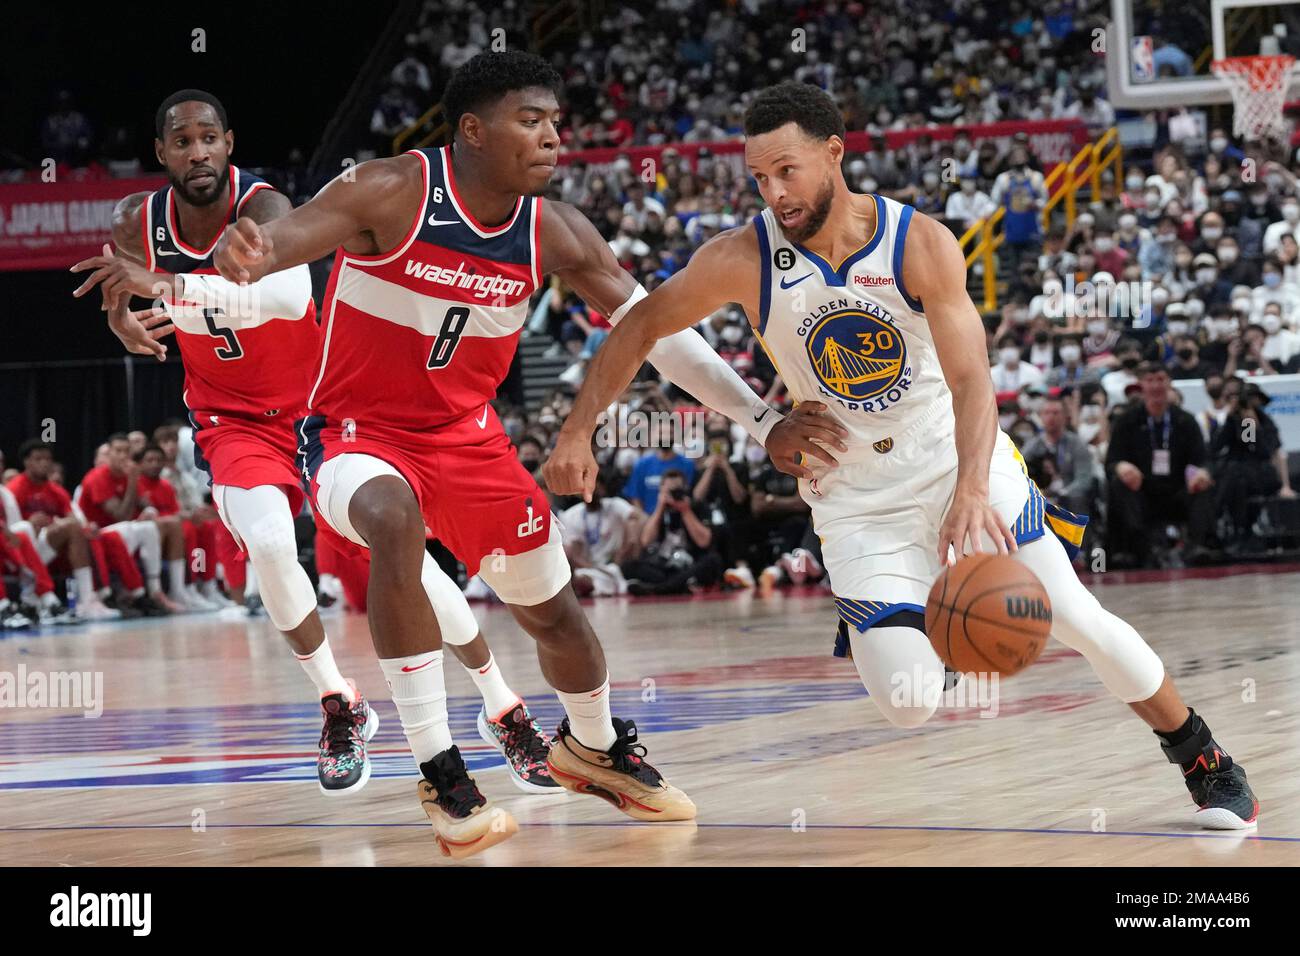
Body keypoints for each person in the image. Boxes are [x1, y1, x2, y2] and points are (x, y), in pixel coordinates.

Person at [546, 82, 1259, 830]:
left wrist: (975, 492)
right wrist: (581, 430)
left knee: (1076, 618)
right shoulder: (742, 257)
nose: (774, 191)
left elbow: (973, 381)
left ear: (834, 152)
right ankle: (916, 622)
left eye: (786, 170)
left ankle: (1203, 756)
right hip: (853, 492)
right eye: (759, 177)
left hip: (955, 458)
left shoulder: (918, 242)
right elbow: (639, 326)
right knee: (909, 702)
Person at [210, 52, 830, 855]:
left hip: (470, 439)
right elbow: (284, 239)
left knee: (555, 613)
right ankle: (438, 768)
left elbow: (656, 333)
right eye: (530, 121)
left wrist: (761, 419)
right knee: (393, 521)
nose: (552, 138)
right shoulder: (393, 190)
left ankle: (594, 747)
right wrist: (247, 251)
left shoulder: (558, 230)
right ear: (472, 129)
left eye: (556, 124)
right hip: (353, 434)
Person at [70, 90, 376, 795]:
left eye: (209, 138)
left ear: (229, 144)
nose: (197, 152)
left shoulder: (265, 207)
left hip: (321, 405)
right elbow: (122, 286)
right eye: (182, 141)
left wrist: (171, 286)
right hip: (229, 416)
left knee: (399, 552)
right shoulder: (132, 221)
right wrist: (120, 321)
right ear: (162, 153)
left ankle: (497, 702)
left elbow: (289, 298)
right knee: (270, 547)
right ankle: (337, 704)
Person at [1105, 363, 1215, 568]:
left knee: (1204, 487)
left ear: (1169, 384)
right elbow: (1112, 461)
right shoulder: (1126, 421)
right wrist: (1121, 467)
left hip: (1178, 489)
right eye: (1150, 380)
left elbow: (1203, 459)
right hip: (1142, 490)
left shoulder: (1186, 420)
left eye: (1161, 380)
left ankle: (1198, 546)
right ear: (1141, 385)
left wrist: (1202, 473)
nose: (1156, 386)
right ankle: (1136, 550)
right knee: (1118, 485)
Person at [5, 439, 118, 620]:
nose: (44, 463)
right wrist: (30, 522)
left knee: (78, 530)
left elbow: (73, 519)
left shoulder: (57, 491)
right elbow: (10, 531)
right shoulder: (14, 488)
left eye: (47, 459)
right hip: (19, 553)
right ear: (26, 462)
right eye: (38, 458)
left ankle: (88, 599)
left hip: (48, 549)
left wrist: (55, 523)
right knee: (26, 529)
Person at [1210, 382, 1296, 554]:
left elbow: (1258, 450)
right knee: (1234, 477)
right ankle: (1227, 529)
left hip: (1261, 474)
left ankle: (1239, 530)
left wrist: (1252, 425)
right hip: (1236, 474)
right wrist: (1230, 418)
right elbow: (1216, 447)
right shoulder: (1233, 421)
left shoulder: (1266, 422)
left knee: (1237, 477)